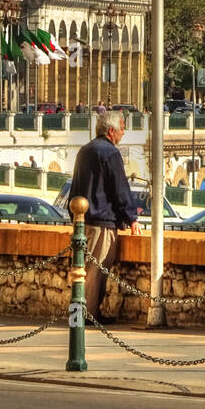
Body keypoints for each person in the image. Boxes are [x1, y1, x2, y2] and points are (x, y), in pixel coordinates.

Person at [70, 111, 140, 324]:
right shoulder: (110, 153)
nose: (123, 133)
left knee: (82, 270)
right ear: (111, 131)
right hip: (102, 222)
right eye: (121, 128)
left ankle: (78, 315)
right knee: (96, 271)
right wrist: (131, 218)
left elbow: (76, 187)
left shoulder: (84, 150)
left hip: (82, 221)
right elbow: (119, 189)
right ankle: (88, 316)